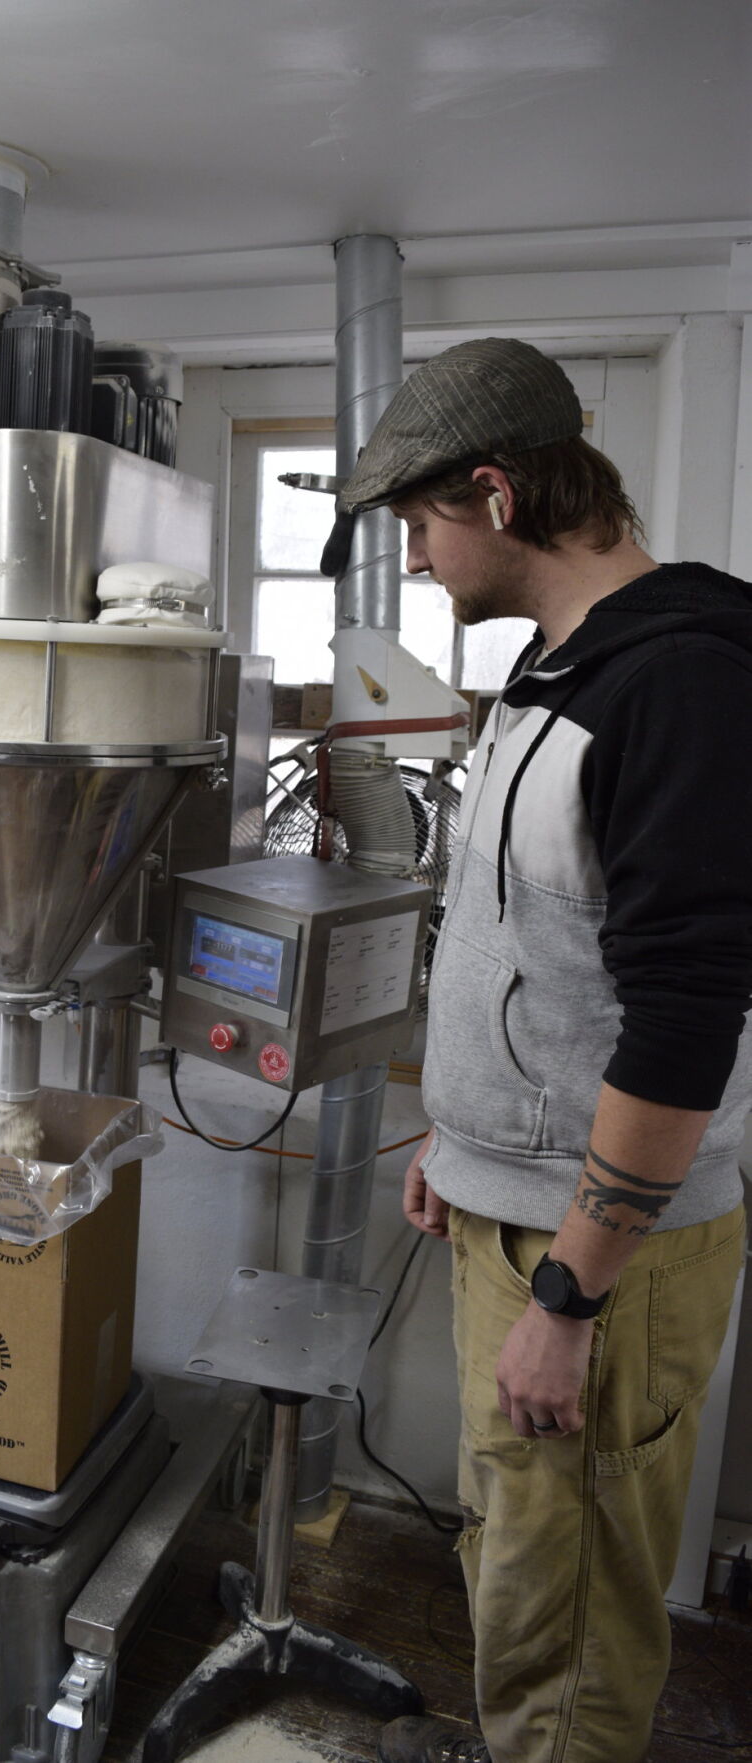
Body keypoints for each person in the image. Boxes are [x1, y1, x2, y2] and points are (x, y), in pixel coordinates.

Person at [328, 339, 751, 1763]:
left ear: (497, 495)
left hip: (596, 1263)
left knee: (567, 1616)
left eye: (420, 522)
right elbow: (536, 947)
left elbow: (685, 1022)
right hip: (519, 1212)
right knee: (521, 1558)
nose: (416, 556)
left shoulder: (679, 683)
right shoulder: (559, 668)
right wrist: (465, 1146)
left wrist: (570, 1296)